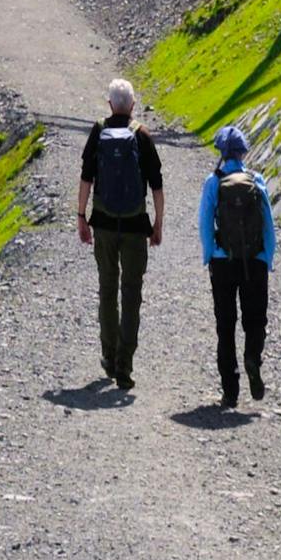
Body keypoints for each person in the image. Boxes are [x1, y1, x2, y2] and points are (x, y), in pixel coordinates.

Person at [73, 80, 168, 395]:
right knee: (131, 294)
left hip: (102, 224)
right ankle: (125, 365)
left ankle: (109, 357)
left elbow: (87, 175)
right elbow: (156, 183)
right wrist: (158, 224)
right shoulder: (142, 135)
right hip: (134, 225)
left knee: (106, 289)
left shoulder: (99, 131)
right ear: (133, 105)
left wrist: (81, 216)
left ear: (111, 104)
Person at [200, 127, 281, 412]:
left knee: (225, 325)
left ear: (222, 153)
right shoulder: (256, 180)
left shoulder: (213, 182)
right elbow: (268, 223)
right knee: (256, 319)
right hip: (254, 261)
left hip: (223, 261)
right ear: (244, 152)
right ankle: (252, 357)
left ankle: (230, 392)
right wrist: (266, 257)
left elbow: (204, 223)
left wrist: (209, 256)